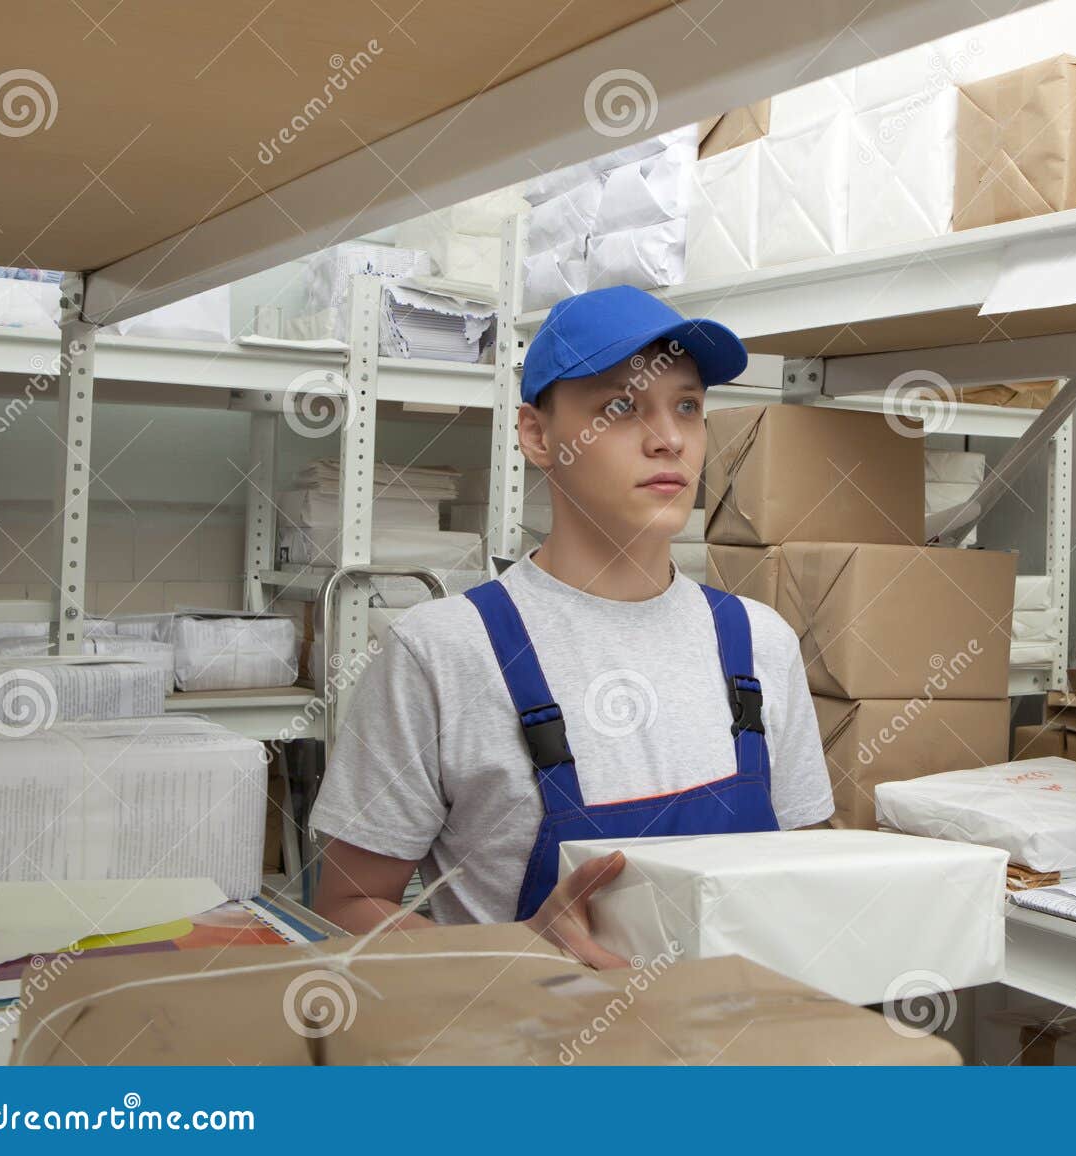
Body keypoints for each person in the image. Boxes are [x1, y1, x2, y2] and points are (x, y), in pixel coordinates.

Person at [309, 285, 835, 966]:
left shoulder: (760, 644)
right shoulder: (445, 651)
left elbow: (813, 873)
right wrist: (513, 954)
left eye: (688, 407)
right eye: (621, 407)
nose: (668, 439)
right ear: (537, 435)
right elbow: (345, 908)